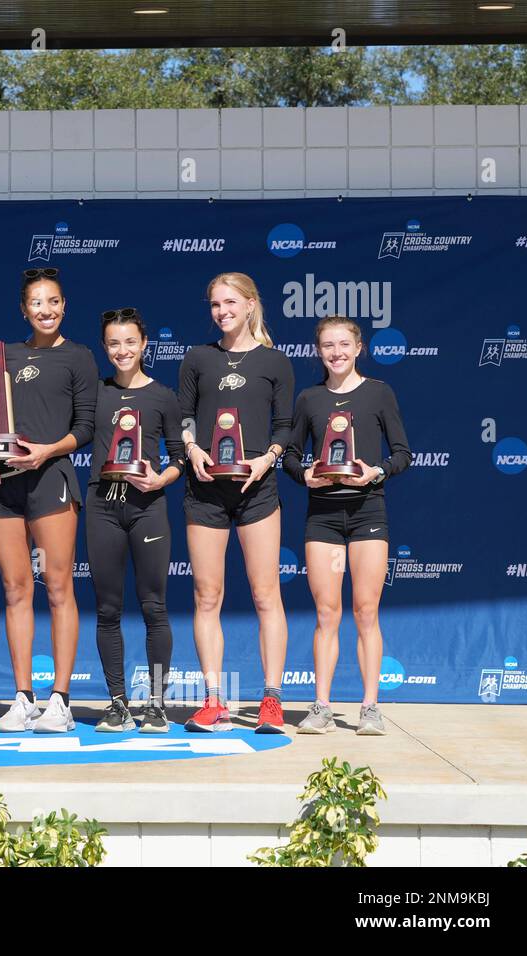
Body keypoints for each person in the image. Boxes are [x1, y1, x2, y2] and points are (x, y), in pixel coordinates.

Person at [283, 315, 411, 736]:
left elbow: (402, 453)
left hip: (368, 514)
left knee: (366, 610)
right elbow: (289, 454)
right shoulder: (309, 399)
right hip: (322, 517)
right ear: (318, 351)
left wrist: (375, 472)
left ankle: (370, 708)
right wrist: (304, 474)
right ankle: (320, 707)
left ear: (359, 348)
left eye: (343, 345)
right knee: (326, 612)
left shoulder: (379, 393)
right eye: (327, 346)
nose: (336, 353)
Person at [178, 272, 294, 733]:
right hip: (205, 489)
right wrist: (193, 450)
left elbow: (284, 426)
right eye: (214, 305)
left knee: (267, 594)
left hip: (257, 491)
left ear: (250, 305)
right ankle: (213, 701)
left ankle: (271, 700)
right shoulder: (197, 359)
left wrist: (268, 459)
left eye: (230, 302)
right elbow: (183, 420)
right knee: (207, 596)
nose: (222, 311)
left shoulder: (275, 362)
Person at [0, 268, 98, 734]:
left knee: (58, 588)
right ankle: (23, 697)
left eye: (53, 302)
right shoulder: (2, 357)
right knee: (15, 589)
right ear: (23, 309)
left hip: (52, 480)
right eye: (36, 303)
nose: (45, 310)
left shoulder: (80, 357)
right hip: (3, 487)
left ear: (64, 306)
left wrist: (47, 451)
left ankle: (61, 700)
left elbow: (87, 427)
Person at [85, 309, 186, 733]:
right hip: (102, 504)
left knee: (153, 607)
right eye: (113, 343)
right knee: (107, 610)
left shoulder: (163, 396)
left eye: (130, 342)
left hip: (148, 506)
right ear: (105, 348)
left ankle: (157, 705)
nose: (122, 350)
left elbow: (180, 456)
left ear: (144, 343)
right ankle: (117, 703)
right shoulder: (95, 393)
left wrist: (159, 479)